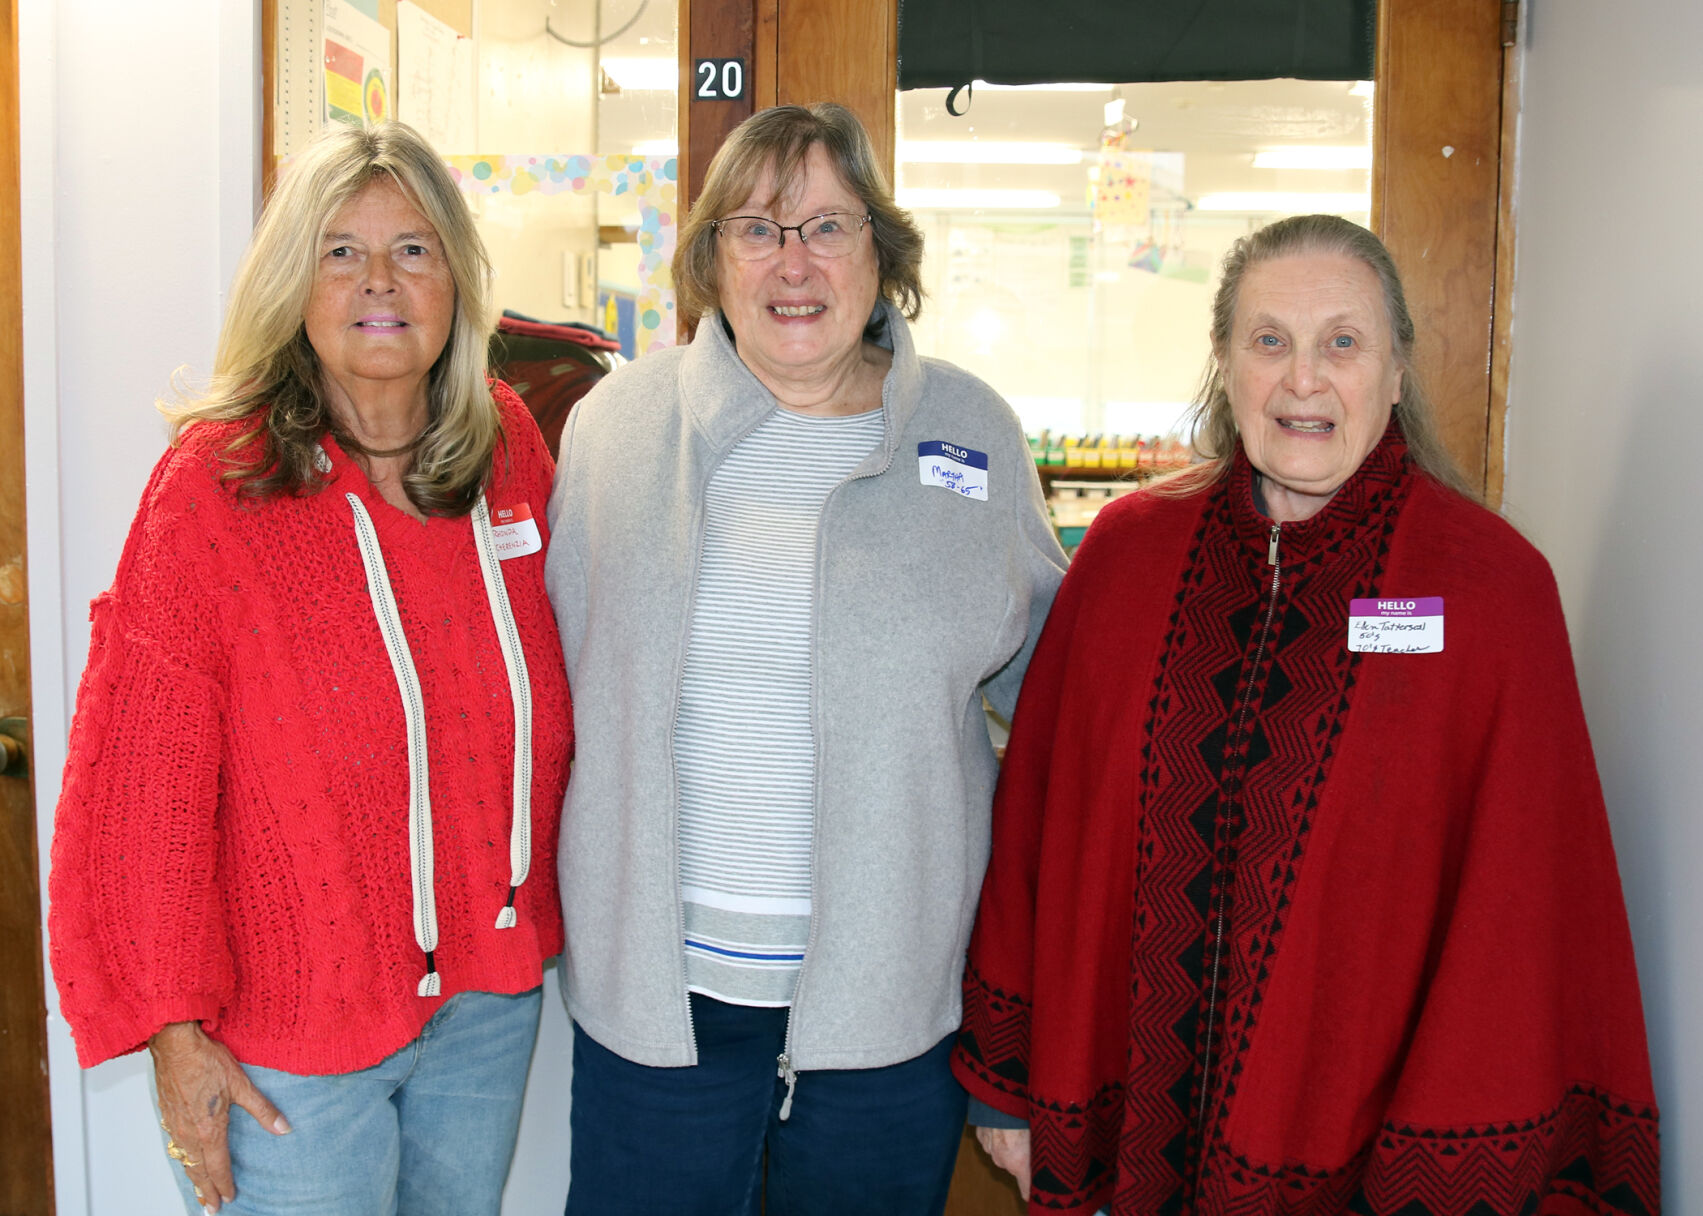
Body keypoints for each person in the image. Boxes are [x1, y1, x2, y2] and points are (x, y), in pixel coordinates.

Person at [955, 214, 1660, 1215]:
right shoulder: (1123, 559)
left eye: (1341, 341)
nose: (1302, 380)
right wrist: (1007, 1084)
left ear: (1395, 371)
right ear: (1223, 365)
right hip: (1124, 1139)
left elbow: (1529, 911)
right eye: (1268, 340)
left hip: (1367, 1147)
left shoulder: (1491, 592)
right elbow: (1036, 821)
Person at [544, 102, 1067, 1215]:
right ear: (709, 260)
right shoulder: (615, 429)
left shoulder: (970, 433)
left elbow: (1058, 705)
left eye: (828, 226)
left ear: (882, 253)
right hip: (660, 1007)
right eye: (755, 228)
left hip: (886, 1013)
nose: (793, 263)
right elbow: (555, 682)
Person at [48, 121, 574, 1216]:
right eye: (340, 250)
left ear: (457, 279)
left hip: (485, 1003)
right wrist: (174, 1037)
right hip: (292, 1032)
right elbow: (149, 791)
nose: (379, 281)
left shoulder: (506, 447)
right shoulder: (214, 486)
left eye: (413, 249)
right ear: (294, 282)